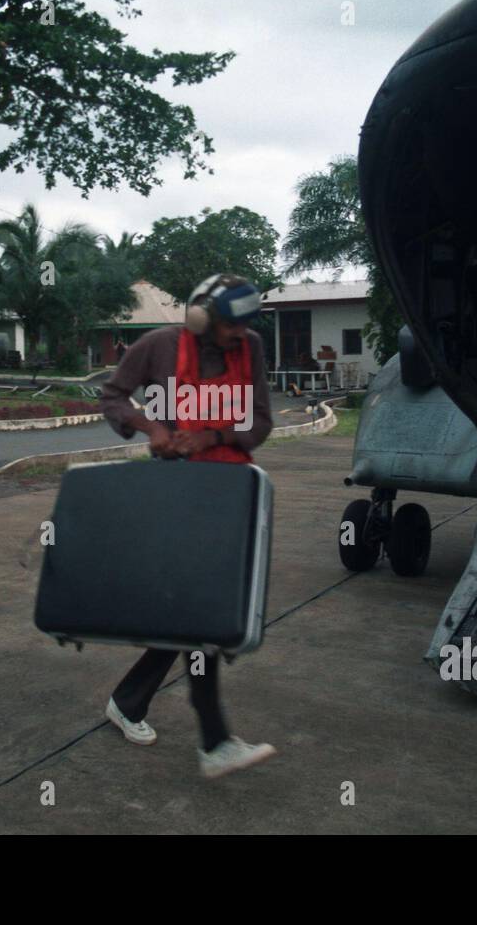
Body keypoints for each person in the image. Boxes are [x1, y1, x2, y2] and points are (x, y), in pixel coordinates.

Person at [99, 272, 276, 779]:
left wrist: (213, 433)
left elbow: (260, 423)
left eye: (244, 328)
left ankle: (128, 702)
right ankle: (215, 740)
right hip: (178, 494)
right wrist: (153, 428)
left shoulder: (252, 347)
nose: (238, 337)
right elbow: (113, 396)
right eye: (229, 328)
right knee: (201, 614)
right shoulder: (158, 346)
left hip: (230, 494)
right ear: (201, 317)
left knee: (191, 613)